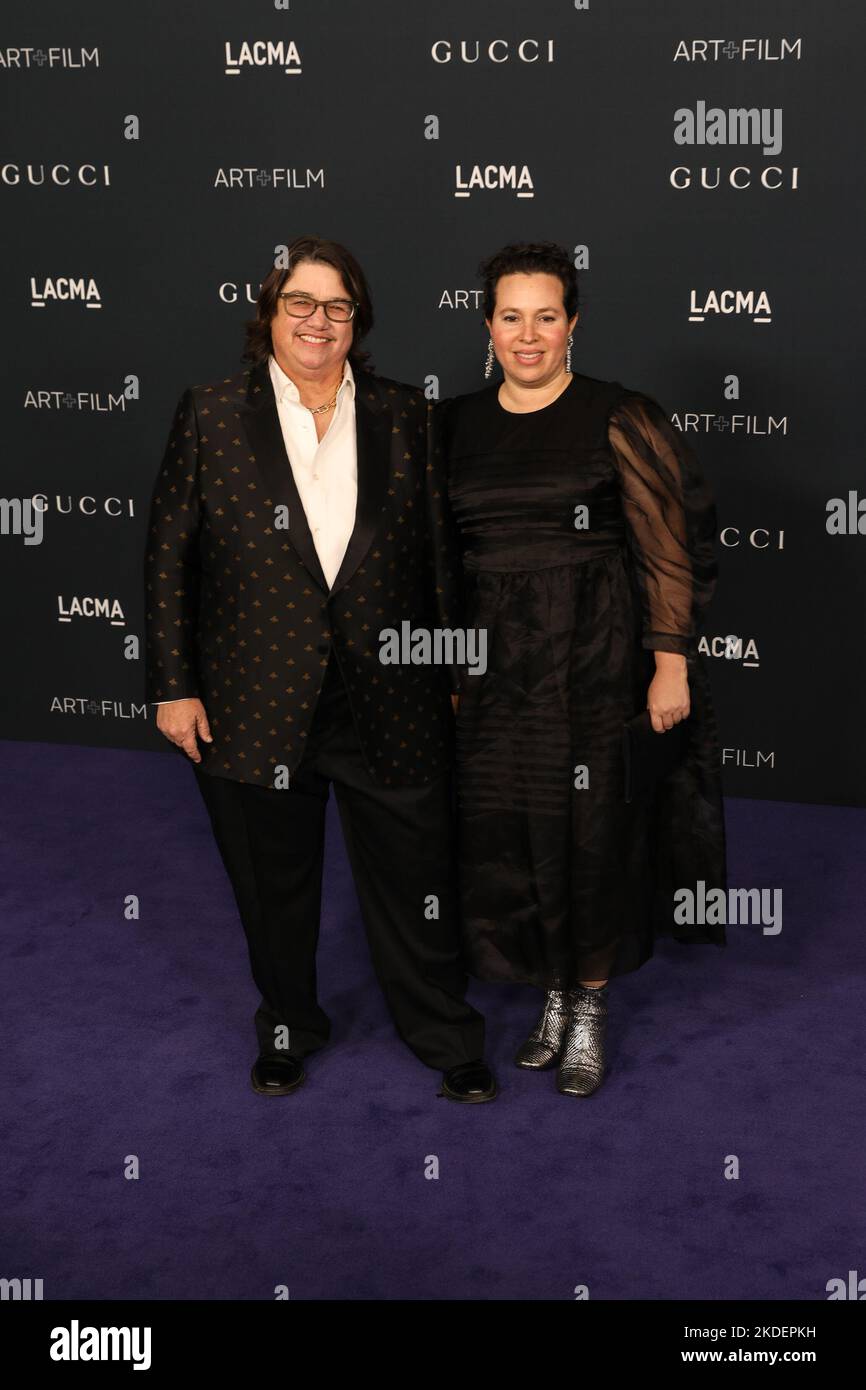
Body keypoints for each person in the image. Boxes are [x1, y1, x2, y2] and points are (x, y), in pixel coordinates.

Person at [143, 234, 496, 1104]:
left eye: (337, 306)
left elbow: (441, 561)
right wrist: (172, 685)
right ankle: (289, 1028)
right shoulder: (212, 411)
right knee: (274, 887)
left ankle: (443, 1033)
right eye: (300, 302)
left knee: (417, 878)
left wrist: (453, 667)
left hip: (394, 690)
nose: (318, 320)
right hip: (252, 695)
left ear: (357, 322)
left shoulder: (407, 413)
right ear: (270, 313)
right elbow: (167, 557)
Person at [435, 241, 727, 1098]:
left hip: (595, 651)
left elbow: (670, 548)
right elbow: (442, 560)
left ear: (573, 324)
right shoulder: (452, 425)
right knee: (515, 831)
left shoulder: (619, 415)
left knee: (594, 834)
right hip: (494, 668)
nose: (529, 335)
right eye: (512, 317)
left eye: (547, 317)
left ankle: (589, 1005)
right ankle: (552, 994)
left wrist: (669, 663)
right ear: (488, 325)